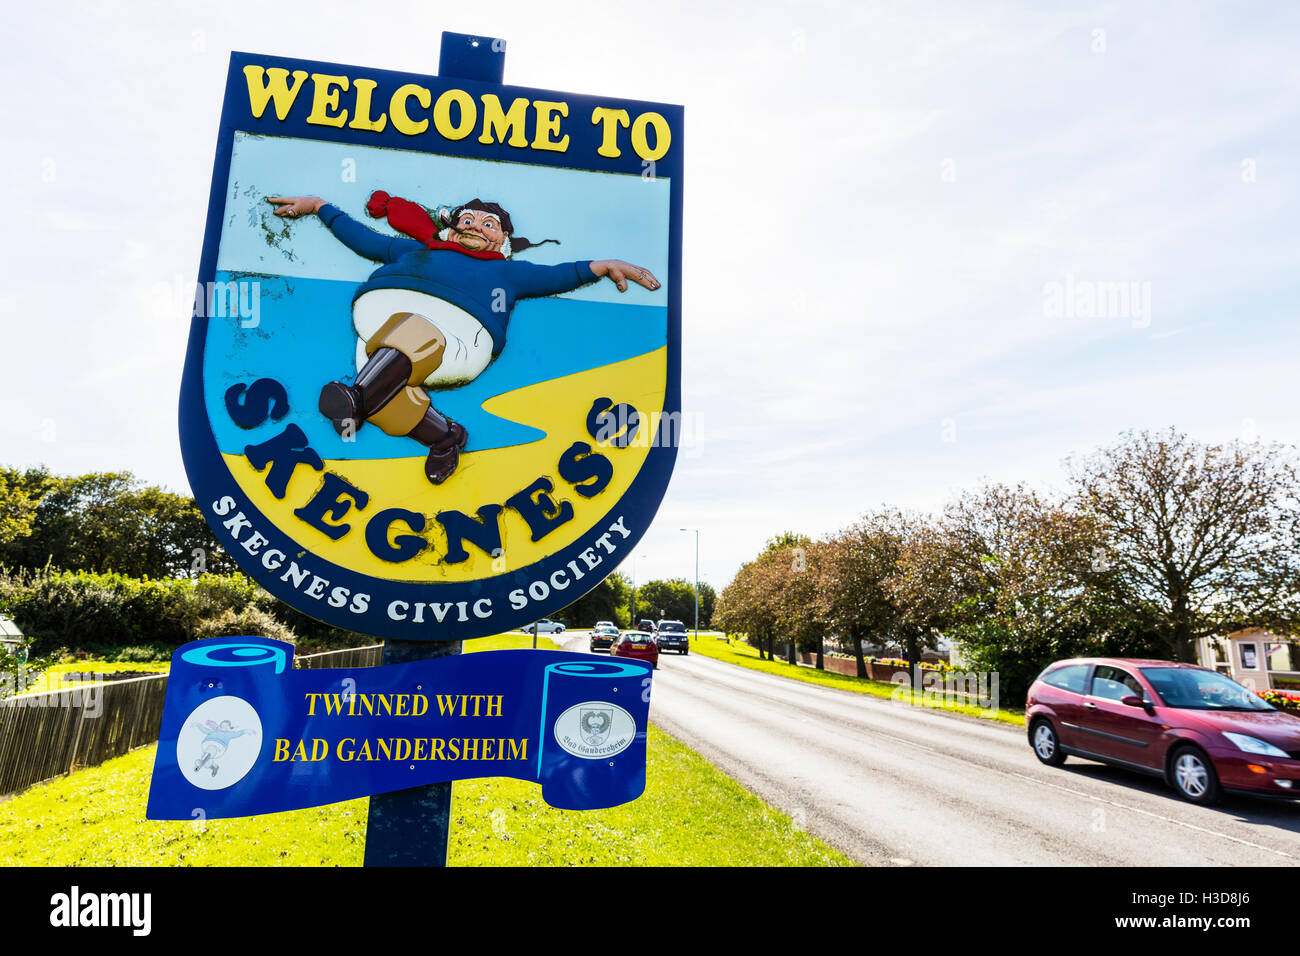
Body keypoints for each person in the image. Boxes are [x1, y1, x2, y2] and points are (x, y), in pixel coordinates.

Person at [266, 193, 661, 484]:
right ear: (452, 225)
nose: (474, 226)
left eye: (487, 223)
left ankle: (354, 399)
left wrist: (607, 265)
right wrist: (319, 207)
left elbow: (562, 273)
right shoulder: (411, 250)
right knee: (388, 398)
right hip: (379, 329)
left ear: (502, 239)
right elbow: (361, 238)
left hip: (457, 339)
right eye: (467, 219)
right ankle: (444, 436)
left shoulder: (509, 274)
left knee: (413, 331)